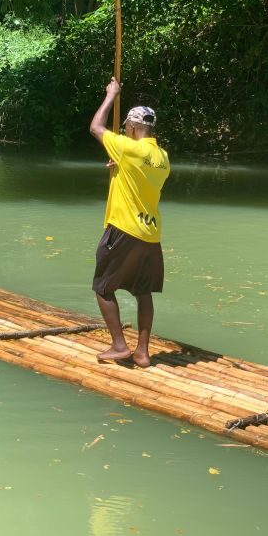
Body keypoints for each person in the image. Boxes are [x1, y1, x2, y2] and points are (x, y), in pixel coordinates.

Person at [88, 78, 170, 367]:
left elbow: (96, 127)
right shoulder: (162, 157)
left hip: (123, 229)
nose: (123, 130)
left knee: (102, 287)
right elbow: (140, 176)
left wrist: (111, 95)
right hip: (150, 233)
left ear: (134, 128)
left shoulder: (130, 149)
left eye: (125, 127)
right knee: (142, 290)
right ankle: (143, 353)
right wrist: (118, 167)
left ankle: (119, 345)